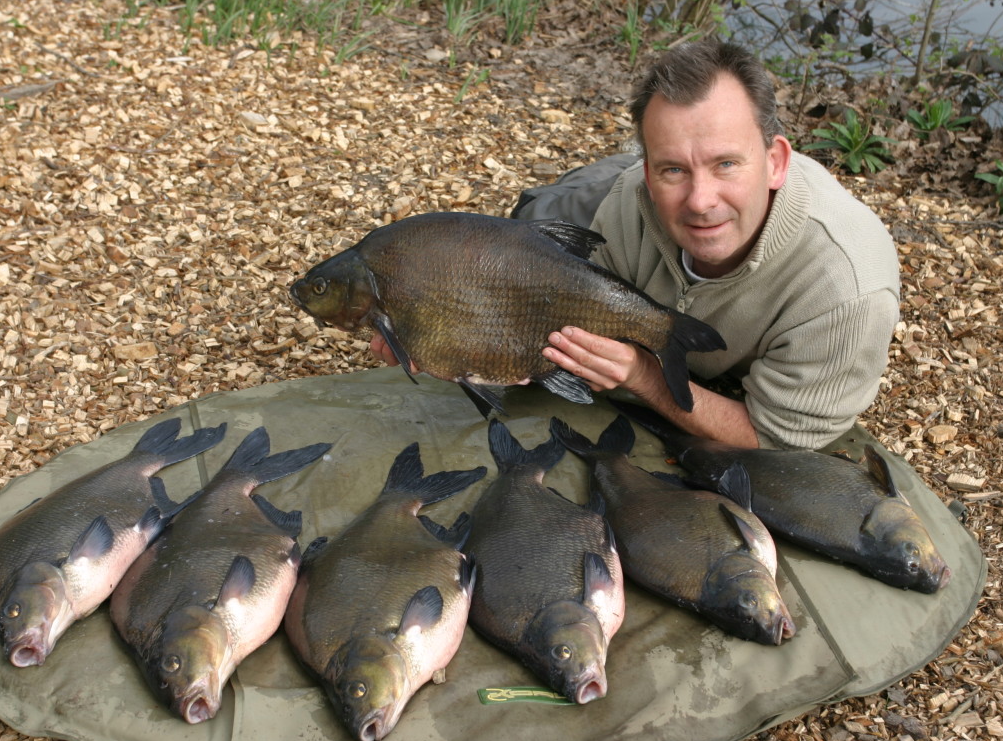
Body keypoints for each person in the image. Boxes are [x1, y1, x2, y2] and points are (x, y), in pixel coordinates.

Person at [375, 39, 900, 451]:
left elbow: (772, 438)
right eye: (673, 168)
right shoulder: (630, 196)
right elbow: (559, 321)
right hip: (611, 199)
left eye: (727, 164)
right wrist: (449, 338)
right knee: (537, 217)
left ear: (776, 162)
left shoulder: (847, 288)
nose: (701, 200)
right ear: (647, 172)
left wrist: (646, 377)